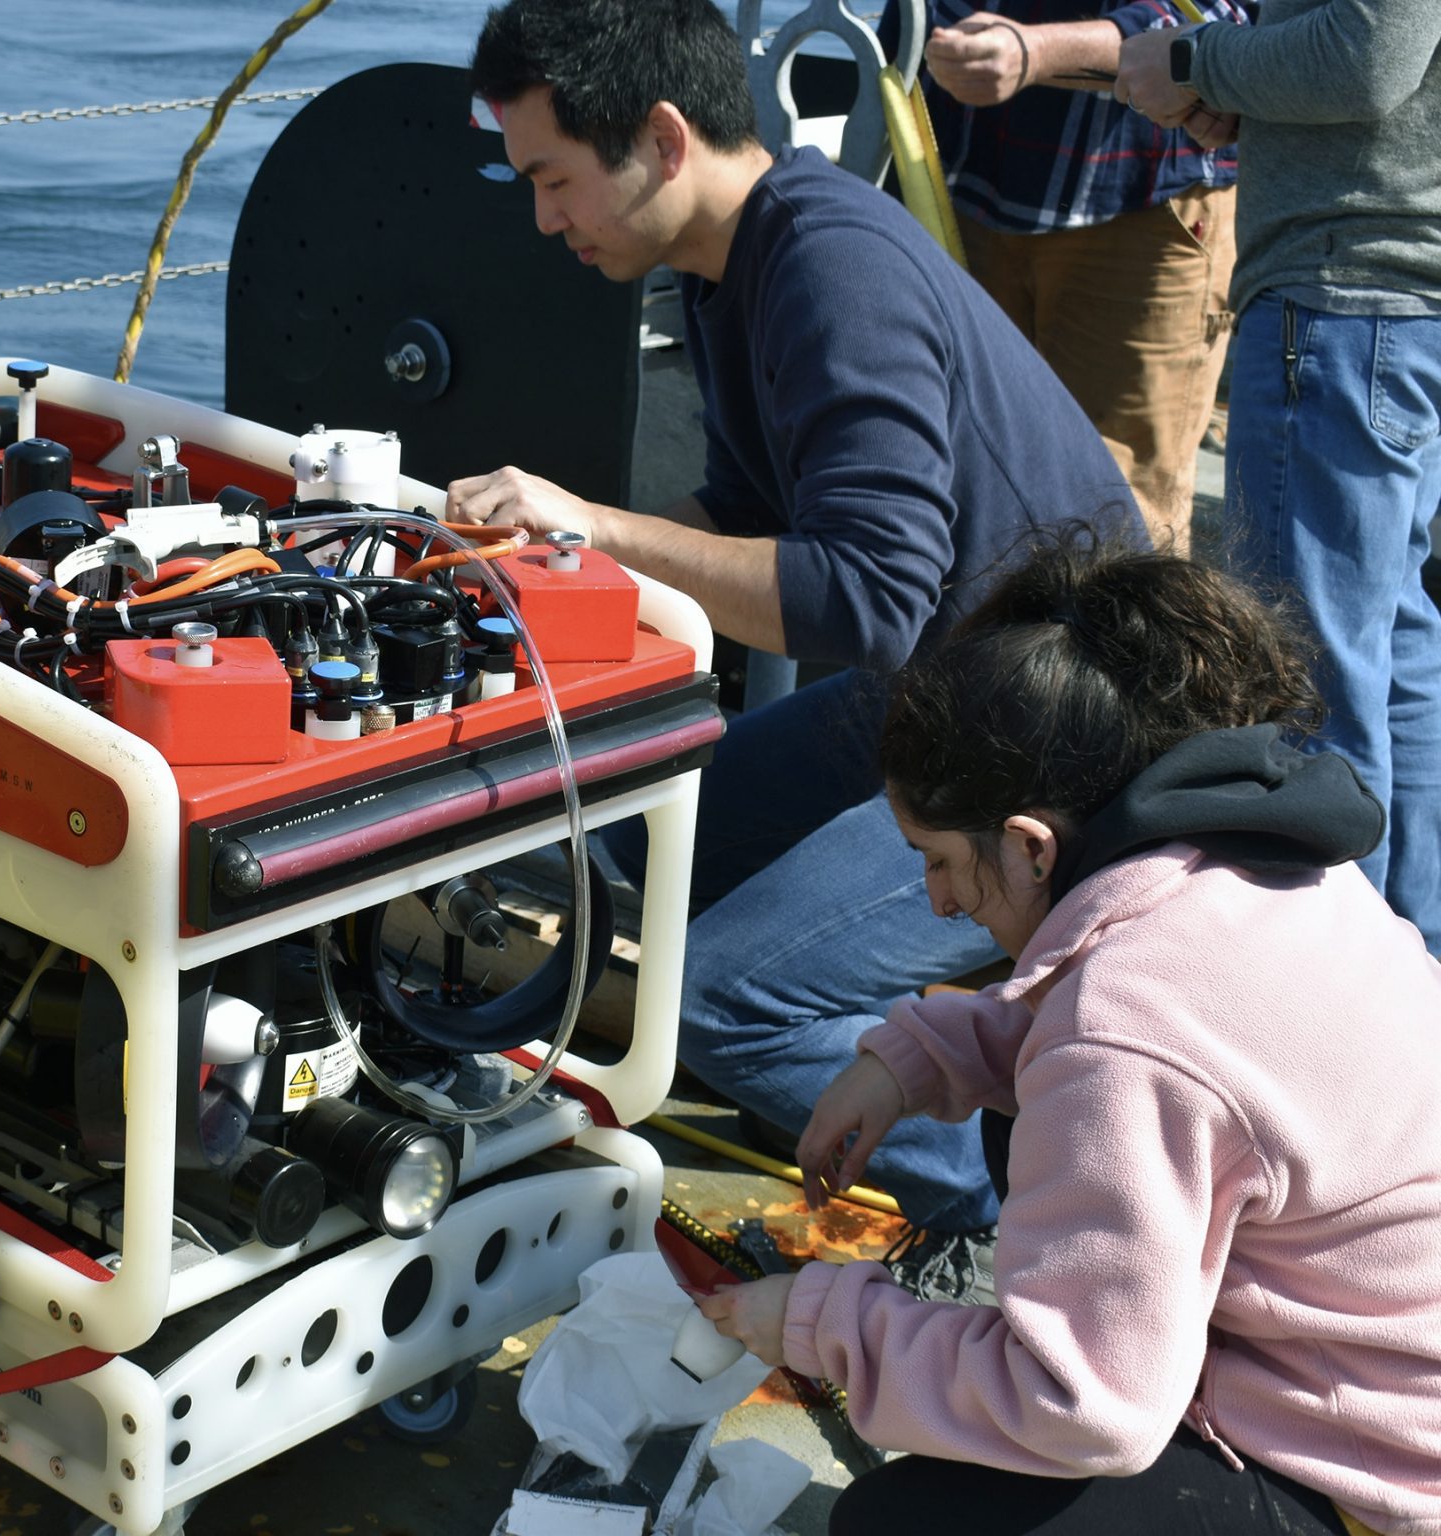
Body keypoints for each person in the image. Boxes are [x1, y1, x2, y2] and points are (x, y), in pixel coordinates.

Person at [455, 0, 1145, 1281]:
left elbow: (865, 598)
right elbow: (749, 519)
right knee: (596, 851)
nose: (545, 219)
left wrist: (596, 523)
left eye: (553, 178)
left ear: (663, 140)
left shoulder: (832, 267)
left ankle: (1014, 1214)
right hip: (938, 684)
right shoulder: (727, 270)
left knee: (725, 997)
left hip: (1059, 729)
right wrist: (550, 574)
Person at [697, 531, 1441, 1536]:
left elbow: (1085, 1407)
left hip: (1386, 1462)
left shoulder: (1120, 1035)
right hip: (1394, 1361)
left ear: (1031, 845)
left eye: (938, 861)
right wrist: (919, 1058)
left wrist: (823, 1323)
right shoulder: (1260, 857)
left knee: (904, 1525)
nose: (939, 900)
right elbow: (1190, 1054)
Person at [1114, 2, 1441, 955]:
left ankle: (1334, 994)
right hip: (1387, 299)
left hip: (1344, 294)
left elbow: (1369, 59)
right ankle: (1405, 973)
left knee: (1307, 676)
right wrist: (1235, 81)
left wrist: (1195, 62)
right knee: (1392, 658)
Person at [878, 0, 1246, 555]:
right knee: (965, 489)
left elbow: (1232, 20)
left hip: (1141, 203)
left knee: (1119, 517)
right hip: (956, 180)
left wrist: (1040, 52)